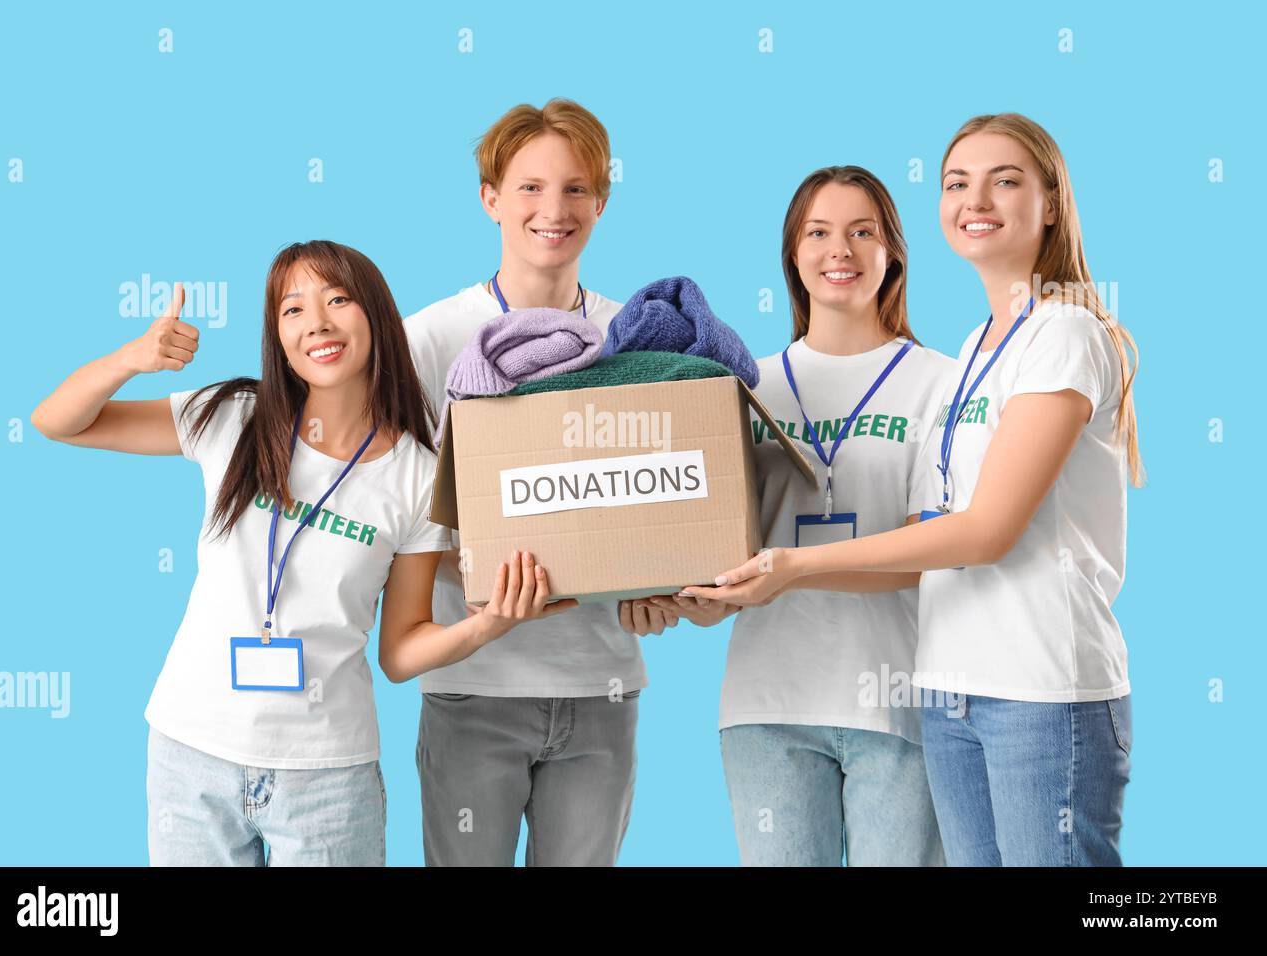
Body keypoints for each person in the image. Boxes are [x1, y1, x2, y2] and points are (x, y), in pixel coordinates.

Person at [683, 114, 1142, 867]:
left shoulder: (1055, 335)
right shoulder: (976, 352)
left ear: (1052, 202)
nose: (976, 199)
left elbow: (982, 531)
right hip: (949, 689)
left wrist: (791, 568)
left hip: (1031, 687)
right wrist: (707, 590)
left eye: (1006, 180)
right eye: (958, 183)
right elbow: (939, 536)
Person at [30, 239, 571, 866]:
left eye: (337, 298)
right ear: (278, 335)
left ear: (375, 316)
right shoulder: (231, 418)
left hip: (327, 777)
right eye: (293, 309)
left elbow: (400, 653)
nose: (317, 321)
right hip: (191, 753)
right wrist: (133, 358)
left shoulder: (419, 478)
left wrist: (489, 623)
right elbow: (57, 421)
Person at [627, 167, 955, 865]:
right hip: (766, 704)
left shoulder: (942, 383)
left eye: (861, 232)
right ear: (793, 255)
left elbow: (940, 551)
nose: (840, 249)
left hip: (898, 704)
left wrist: (791, 573)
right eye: (819, 233)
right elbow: (719, 551)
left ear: (892, 252)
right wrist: (682, 597)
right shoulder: (745, 387)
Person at [403, 99, 667, 867]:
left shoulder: (637, 343)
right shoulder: (430, 341)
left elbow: (667, 497)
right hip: (473, 685)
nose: (555, 210)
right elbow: (399, 506)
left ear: (602, 201)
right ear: (489, 198)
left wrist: (666, 587)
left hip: (602, 686)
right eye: (530, 188)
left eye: (577, 189)